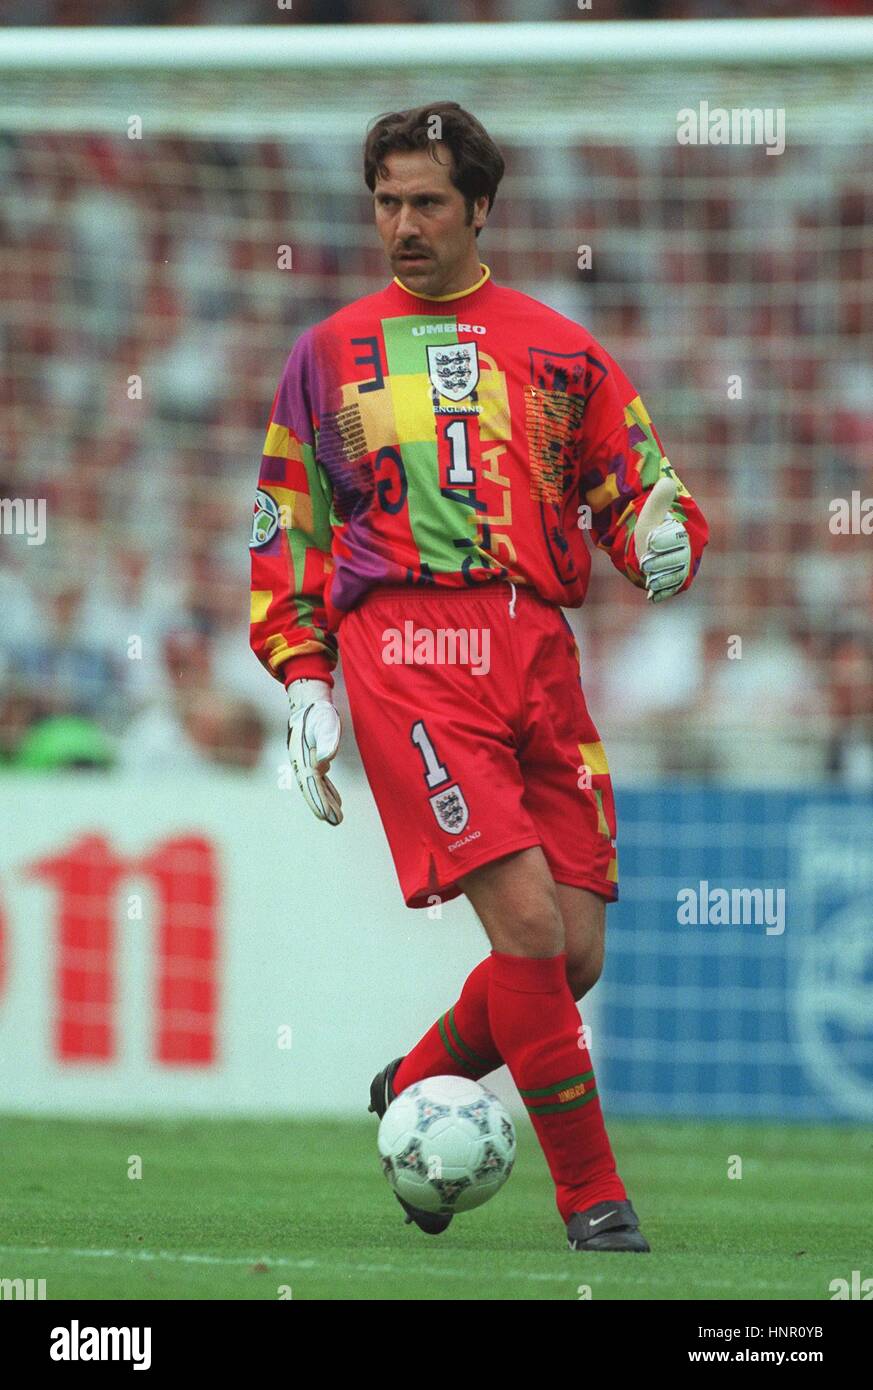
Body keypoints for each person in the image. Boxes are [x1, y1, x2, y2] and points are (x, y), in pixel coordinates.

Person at [249, 103, 708, 1252]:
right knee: (528, 928)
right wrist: (305, 675)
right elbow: (285, 527)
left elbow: (648, 499)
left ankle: (409, 1080)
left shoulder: (564, 350)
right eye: (387, 202)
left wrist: (670, 547)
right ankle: (594, 1201)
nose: (402, 224)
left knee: (577, 949)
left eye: (427, 203)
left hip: (540, 652)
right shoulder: (328, 352)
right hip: (407, 650)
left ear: (481, 209)